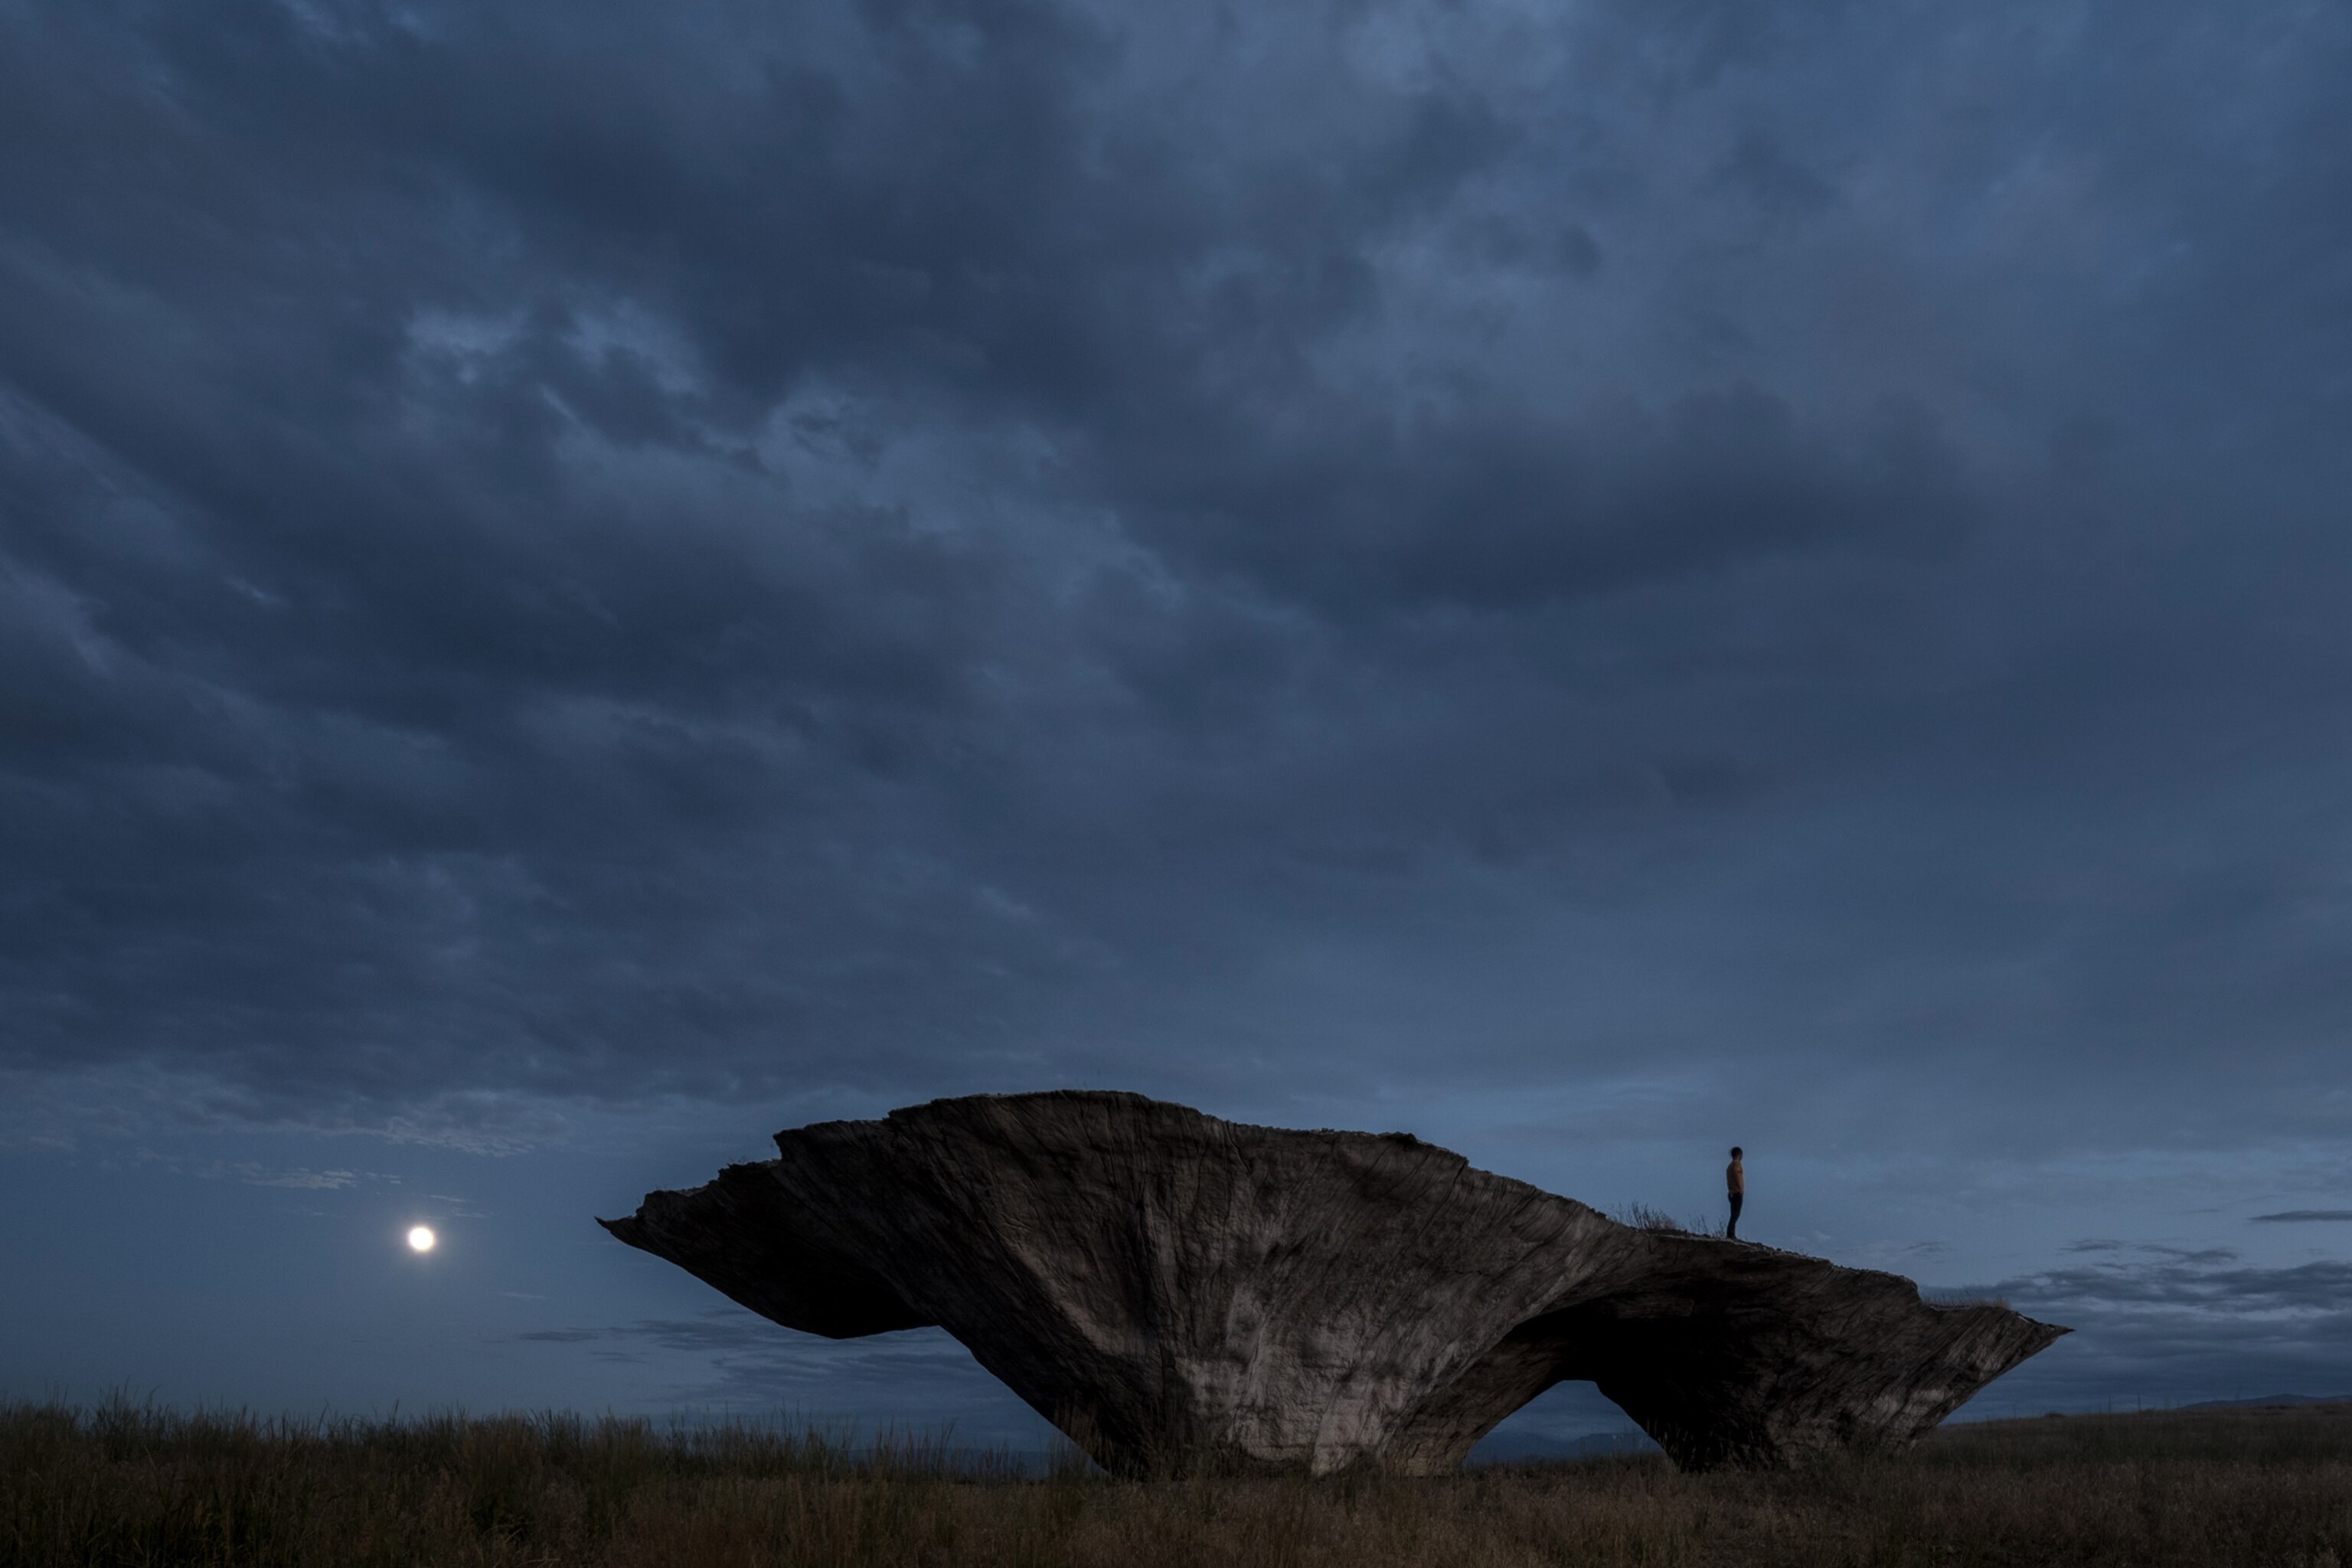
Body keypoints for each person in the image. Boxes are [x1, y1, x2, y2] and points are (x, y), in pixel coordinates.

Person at [1726, 1146, 1745, 1240]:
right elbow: (1737, 1175)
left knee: (1734, 1214)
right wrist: (1741, 1188)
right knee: (1735, 1214)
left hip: (1731, 1192)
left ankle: (1731, 1233)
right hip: (1737, 1192)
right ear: (1740, 1155)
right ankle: (1731, 1234)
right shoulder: (1737, 1164)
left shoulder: (1730, 1166)